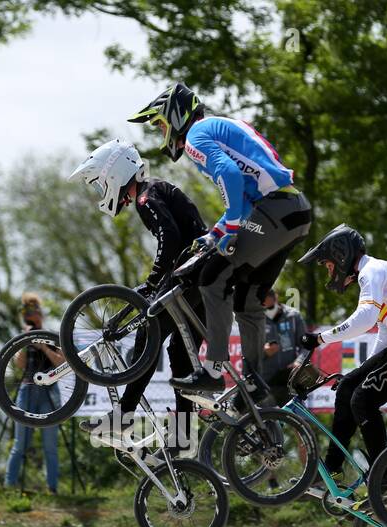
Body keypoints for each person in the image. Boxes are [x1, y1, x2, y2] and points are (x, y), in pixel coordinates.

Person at [128, 82, 313, 392]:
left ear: (174, 116)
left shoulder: (196, 136)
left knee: (213, 277)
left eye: (161, 125)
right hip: (293, 211)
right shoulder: (219, 125)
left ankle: (213, 371)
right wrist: (218, 230)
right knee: (248, 298)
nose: (163, 135)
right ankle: (255, 381)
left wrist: (231, 226)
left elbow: (229, 174)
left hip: (274, 209)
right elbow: (247, 181)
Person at [67, 138, 208, 455]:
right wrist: (156, 281)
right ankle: (183, 439)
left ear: (112, 174)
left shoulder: (146, 197)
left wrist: (154, 280)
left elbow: (170, 238)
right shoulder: (154, 191)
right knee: (181, 356)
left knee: (148, 335)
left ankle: (123, 416)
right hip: (206, 280)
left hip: (194, 277)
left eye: (98, 184)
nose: (101, 191)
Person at [296, 224, 387, 477]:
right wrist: (360, 371)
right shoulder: (376, 273)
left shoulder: (371, 271)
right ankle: (333, 466)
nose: (329, 272)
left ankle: (382, 476)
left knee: (363, 400)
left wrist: (321, 338)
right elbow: (385, 334)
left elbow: (365, 319)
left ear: (341, 256)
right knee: (346, 388)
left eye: (329, 265)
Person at [3, 293, 62, 493]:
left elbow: (62, 363)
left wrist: (44, 347)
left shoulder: (51, 335)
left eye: (34, 311)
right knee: (20, 444)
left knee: (50, 445)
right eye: (27, 312)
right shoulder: (23, 336)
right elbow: (19, 364)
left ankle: (52, 488)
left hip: (49, 392)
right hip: (27, 389)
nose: (31, 315)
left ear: (40, 313)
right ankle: (9, 487)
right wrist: (25, 341)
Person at [260, 289, 308, 404]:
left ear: (276, 297)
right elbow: (247, 352)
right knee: (267, 417)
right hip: (266, 380)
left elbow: (306, 345)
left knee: (296, 416)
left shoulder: (293, 316)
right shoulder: (255, 319)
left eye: (272, 305)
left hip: (290, 377)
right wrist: (264, 352)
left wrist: (299, 362)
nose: (269, 308)